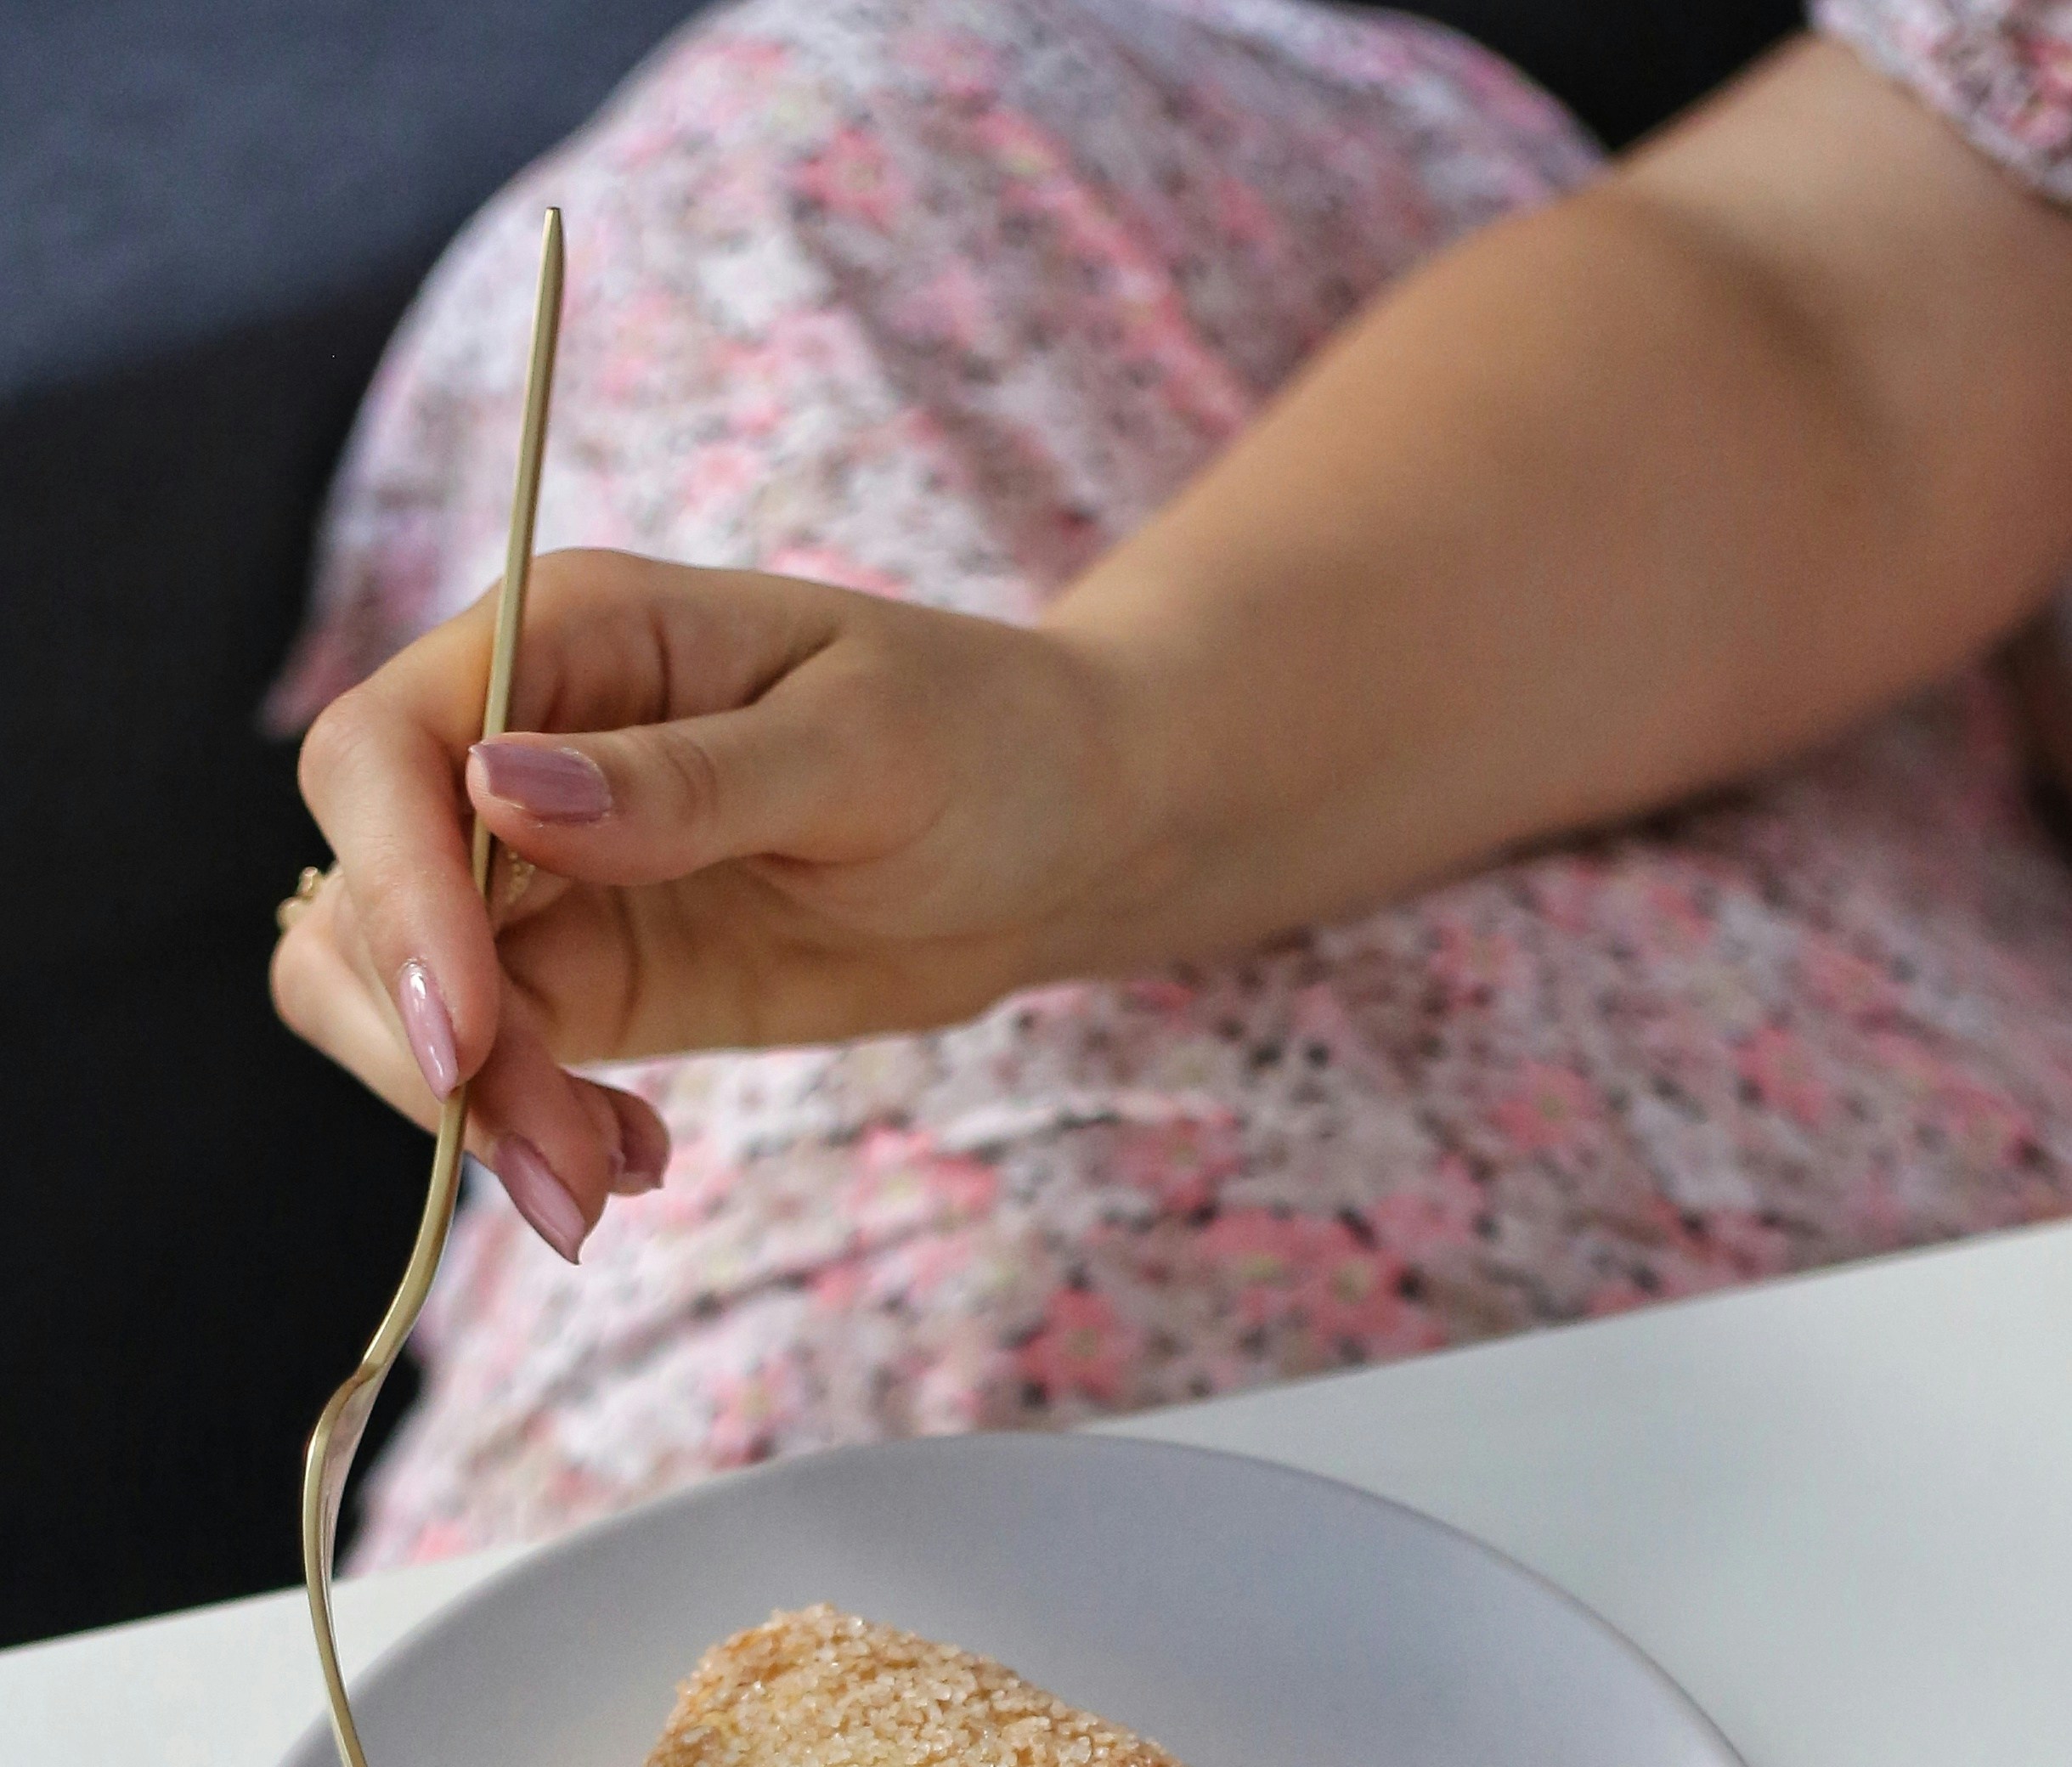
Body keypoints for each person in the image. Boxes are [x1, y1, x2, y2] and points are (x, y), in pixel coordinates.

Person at [272, 0, 2072, 1567]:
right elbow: (1862, 317)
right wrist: (1098, 764)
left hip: (1879, 1309)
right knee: (824, 144)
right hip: (1551, 620)